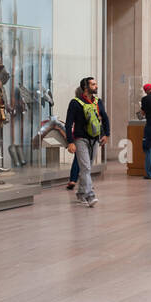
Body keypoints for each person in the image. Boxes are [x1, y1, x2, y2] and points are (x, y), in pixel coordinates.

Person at [65, 76, 109, 207]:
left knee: (87, 169)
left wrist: (106, 134)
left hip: (94, 139)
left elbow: (105, 118)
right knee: (86, 168)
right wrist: (70, 142)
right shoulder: (75, 103)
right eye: (93, 84)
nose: (96, 86)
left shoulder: (97, 102)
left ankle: (80, 193)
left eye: (96, 84)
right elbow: (68, 124)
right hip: (80, 139)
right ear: (85, 87)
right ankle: (90, 195)